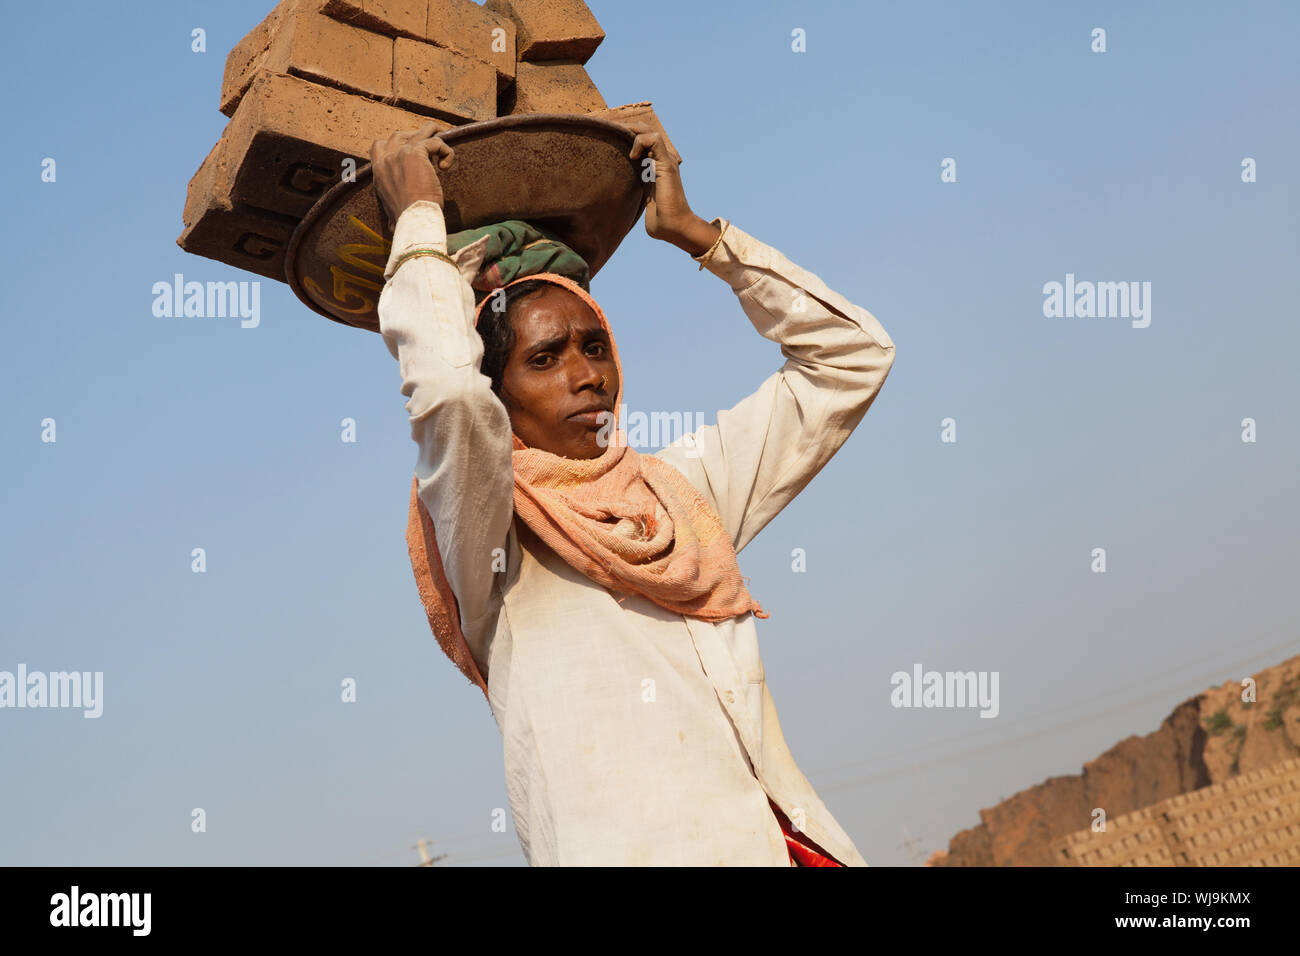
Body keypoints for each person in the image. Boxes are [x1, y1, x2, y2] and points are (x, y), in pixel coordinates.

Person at [370, 119, 896, 866]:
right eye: (545, 358)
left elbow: (853, 361)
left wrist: (701, 238)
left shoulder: (681, 494)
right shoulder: (490, 536)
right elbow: (450, 395)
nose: (586, 375)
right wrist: (420, 225)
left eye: (593, 346)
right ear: (500, 394)